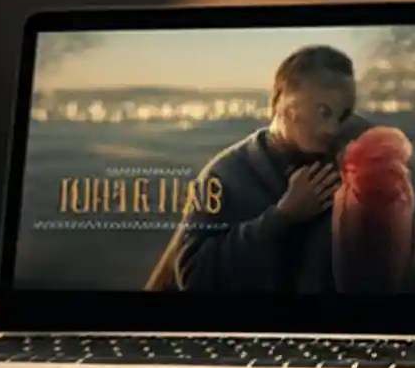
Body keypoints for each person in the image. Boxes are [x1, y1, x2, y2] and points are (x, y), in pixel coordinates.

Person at [145, 45, 373, 292]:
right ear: (282, 101)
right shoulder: (225, 176)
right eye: (322, 111)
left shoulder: (344, 166)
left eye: (342, 116)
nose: (331, 128)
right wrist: (281, 217)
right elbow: (194, 276)